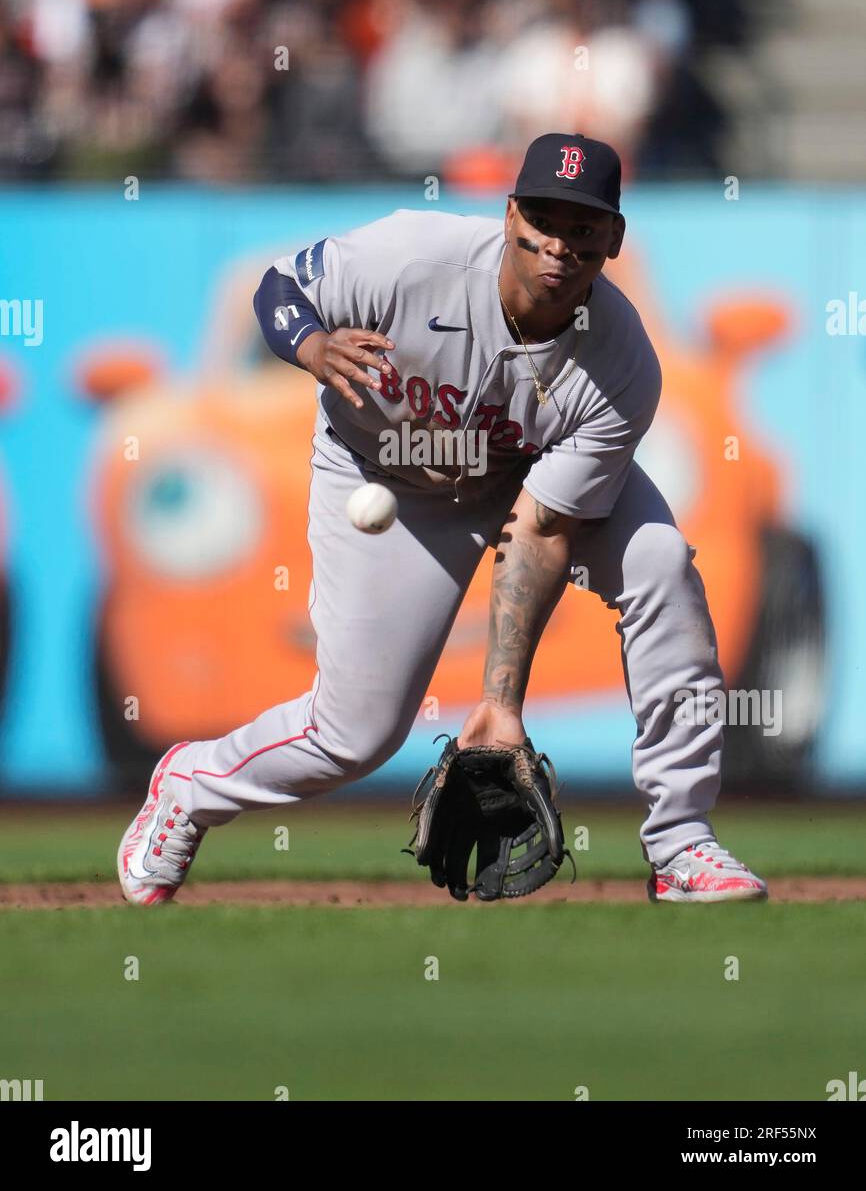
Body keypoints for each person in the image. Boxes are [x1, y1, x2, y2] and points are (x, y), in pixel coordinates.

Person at [117, 132, 768, 905]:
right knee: (351, 735)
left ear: (614, 238)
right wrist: (314, 345)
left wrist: (500, 702)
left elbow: (543, 529)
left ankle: (682, 841)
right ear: (509, 215)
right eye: (544, 220)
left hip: (526, 475)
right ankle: (187, 787)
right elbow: (276, 290)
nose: (559, 245)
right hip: (388, 478)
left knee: (659, 559)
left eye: (583, 226)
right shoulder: (411, 257)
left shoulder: (622, 360)